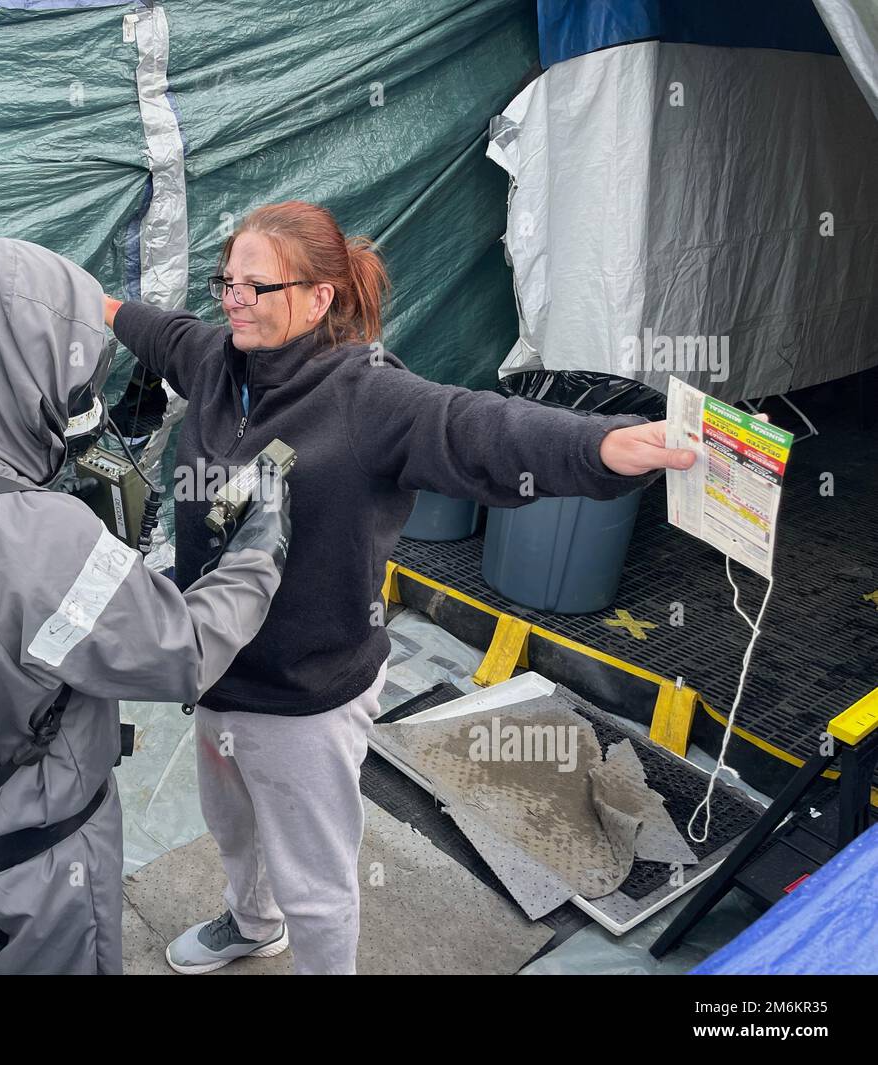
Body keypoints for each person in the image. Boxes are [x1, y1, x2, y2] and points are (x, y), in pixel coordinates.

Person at [101, 201, 697, 975]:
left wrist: (600, 444)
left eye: (256, 286)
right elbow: (153, 328)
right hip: (216, 672)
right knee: (235, 826)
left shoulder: (365, 396)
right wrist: (90, 303)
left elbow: (475, 426)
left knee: (315, 880)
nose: (233, 299)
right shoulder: (216, 359)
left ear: (319, 298)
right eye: (227, 282)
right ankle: (252, 922)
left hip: (308, 690)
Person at [0, 237, 289, 973]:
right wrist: (256, 554)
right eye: (69, 376)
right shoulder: (25, 535)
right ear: (23, 364)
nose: (77, 401)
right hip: (37, 860)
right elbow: (178, 650)